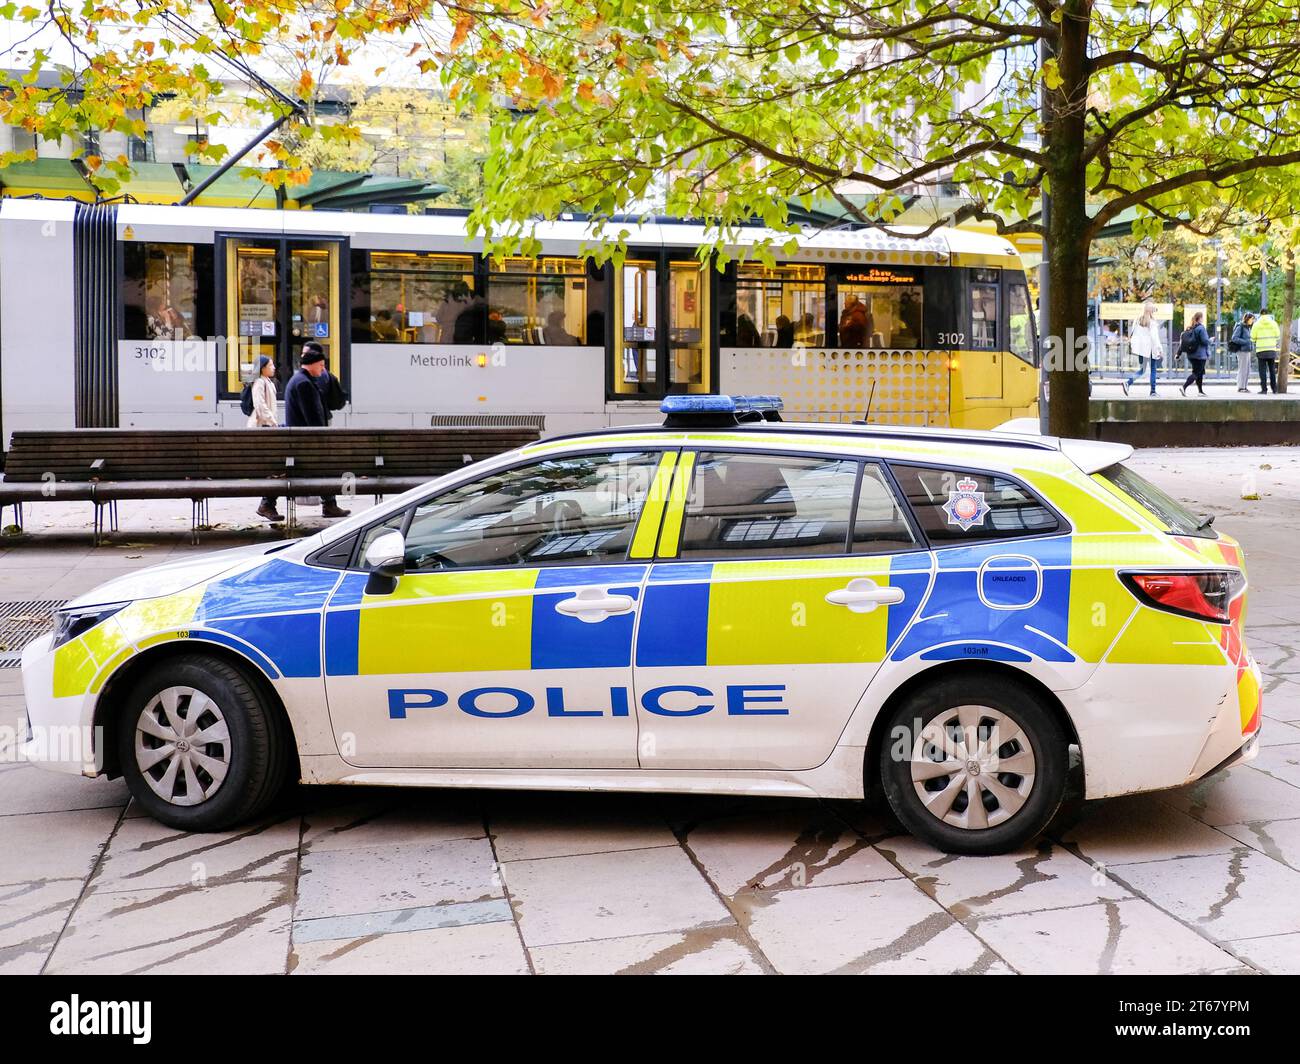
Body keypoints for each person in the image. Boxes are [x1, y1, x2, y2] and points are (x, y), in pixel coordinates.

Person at [285, 345, 350, 518]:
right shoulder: (304, 384)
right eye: (321, 366)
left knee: (324, 467)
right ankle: (330, 505)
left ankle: (330, 504)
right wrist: (322, 441)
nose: (323, 370)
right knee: (326, 466)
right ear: (312, 364)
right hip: (305, 442)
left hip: (299, 441)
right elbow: (312, 418)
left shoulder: (301, 380)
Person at [247, 356, 284, 523]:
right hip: (263, 428)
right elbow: (260, 405)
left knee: (273, 469)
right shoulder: (260, 382)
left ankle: (267, 504)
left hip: (267, 427)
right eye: (271, 364)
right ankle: (266, 505)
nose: (274, 367)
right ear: (262, 368)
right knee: (273, 469)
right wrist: (273, 422)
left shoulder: (267, 381)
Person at [1122, 302, 1163, 396]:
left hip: (1141, 350)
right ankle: (1153, 391)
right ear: (1151, 311)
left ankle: (1128, 383)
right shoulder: (1152, 322)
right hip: (1151, 350)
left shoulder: (1138, 320)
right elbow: (1154, 338)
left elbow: (1134, 334)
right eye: (1153, 310)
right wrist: (1160, 349)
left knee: (1142, 370)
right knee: (1153, 369)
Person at [1178, 311, 1211, 396]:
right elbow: (1205, 341)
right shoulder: (1201, 328)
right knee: (1196, 373)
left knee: (1199, 372)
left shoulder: (1190, 328)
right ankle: (1184, 387)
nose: (1203, 319)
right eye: (1202, 317)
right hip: (1200, 355)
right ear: (1199, 318)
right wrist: (1211, 340)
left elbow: (1183, 342)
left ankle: (1200, 391)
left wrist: (1178, 353)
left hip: (1191, 354)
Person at [1251, 308, 1281, 394]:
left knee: (1262, 371)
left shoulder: (1256, 324)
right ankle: (1274, 389)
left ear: (1260, 314)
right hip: (1271, 349)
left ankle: (1264, 389)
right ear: (1268, 314)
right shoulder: (1273, 323)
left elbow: (1252, 338)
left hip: (1261, 351)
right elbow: (1278, 336)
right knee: (1272, 370)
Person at [1229, 312, 1256, 393]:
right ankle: (1241, 387)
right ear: (1247, 319)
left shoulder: (1247, 328)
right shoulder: (1240, 326)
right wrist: (1246, 342)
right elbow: (1234, 338)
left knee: (1247, 369)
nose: (1253, 321)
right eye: (1252, 319)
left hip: (1247, 350)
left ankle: (1244, 386)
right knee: (1243, 369)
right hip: (1242, 351)